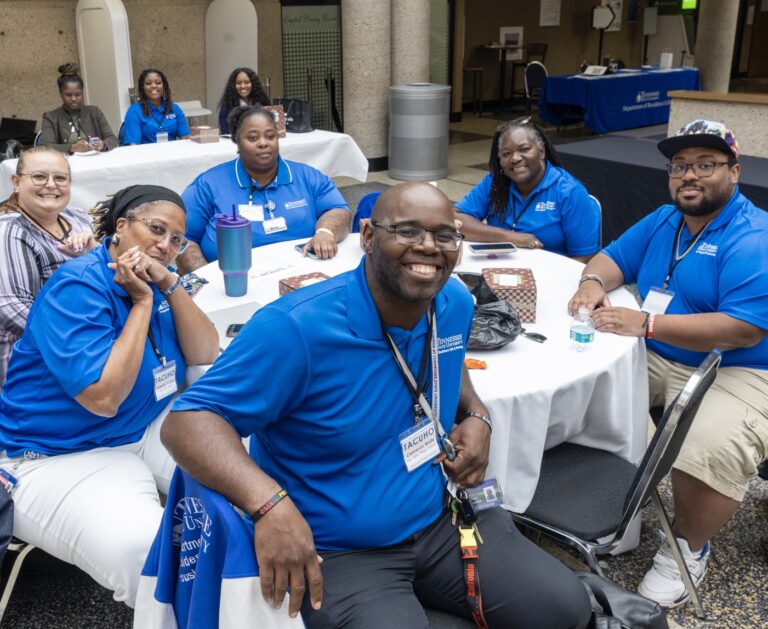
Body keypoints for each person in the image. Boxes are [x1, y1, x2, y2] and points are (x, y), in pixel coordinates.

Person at [163, 182, 592, 628]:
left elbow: (450, 357)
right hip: (339, 551)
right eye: (407, 231)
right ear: (367, 237)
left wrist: (477, 413)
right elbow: (187, 421)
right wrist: (269, 505)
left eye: (445, 235)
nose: (428, 247)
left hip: (437, 523)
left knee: (566, 610)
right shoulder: (295, 329)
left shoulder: (453, 302)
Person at [567, 120, 768, 608]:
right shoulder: (663, 220)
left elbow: (745, 328)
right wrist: (591, 284)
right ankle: (602, 510)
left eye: (705, 164)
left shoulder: (754, 234)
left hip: (740, 367)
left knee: (708, 443)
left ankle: (687, 547)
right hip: (658, 353)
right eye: (680, 166)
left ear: (734, 171)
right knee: (584, 382)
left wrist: (648, 325)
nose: (689, 176)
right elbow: (611, 257)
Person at [0, 185, 219, 606]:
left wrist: (169, 285)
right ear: (121, 227)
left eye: (176, 239)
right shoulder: (77, 287)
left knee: (254, 470)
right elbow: (103, 399)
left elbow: (205, 351)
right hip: (58, 457)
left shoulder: (157, 278)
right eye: (156, 229)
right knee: (150, 551)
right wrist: (140, 303)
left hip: (146, 424)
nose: (165, 245)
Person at [177, 106, 350, 272]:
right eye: (252, 138)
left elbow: (338, 209)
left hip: (304, 277)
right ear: (237, 141)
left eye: (270, 136)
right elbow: (183, 239)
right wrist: (207, 283)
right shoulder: (207, 185)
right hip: (233, 286)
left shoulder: (308, 176)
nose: (263, 143)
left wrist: (326, 232)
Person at [0, 146, 95, 387]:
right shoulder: (9, 230)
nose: (51, 185)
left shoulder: (77, 218)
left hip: (79, 340)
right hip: (32, 362)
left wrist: (95, 250)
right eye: (39, 176)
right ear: (16, 182)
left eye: (60, 178)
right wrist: (79, 339)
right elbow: (11, 307)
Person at [455, 117, 600, 262]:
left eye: (524, 149)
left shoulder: (569, 192)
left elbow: (584, 256)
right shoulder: (495, 182)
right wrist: (509, 237)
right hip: (496, 268)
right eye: (506, 154)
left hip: (549, 275)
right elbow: (454, 221)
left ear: (541, 151)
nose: (515, 158)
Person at [39, 63, 117, 154]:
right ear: (60, 93)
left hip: (95, 160)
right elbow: (45, 147)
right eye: (68, 95)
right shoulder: (50, 117)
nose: (73, 99)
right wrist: (71, 148)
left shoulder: (94, 112)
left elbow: (112, 139)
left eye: (78, 94)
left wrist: (103, 144)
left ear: (82, 92)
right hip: (66, 164)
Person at [122, 68, 190, 145]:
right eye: (148, 83)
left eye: (158, 83)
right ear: (142, 88)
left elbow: (185, 138)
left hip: (172, 154)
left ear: (164, 86)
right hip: (146, 155)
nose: (153, 86)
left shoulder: (174, 108)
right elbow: (133, 146)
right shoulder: (134, 111)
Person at [218, 67, 270, 134]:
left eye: (247, 82)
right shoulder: (226, 107)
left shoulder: (262, 102)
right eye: (238, 83)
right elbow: (226, 133)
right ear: (233, 86)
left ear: (253, 84)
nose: (243, 86)